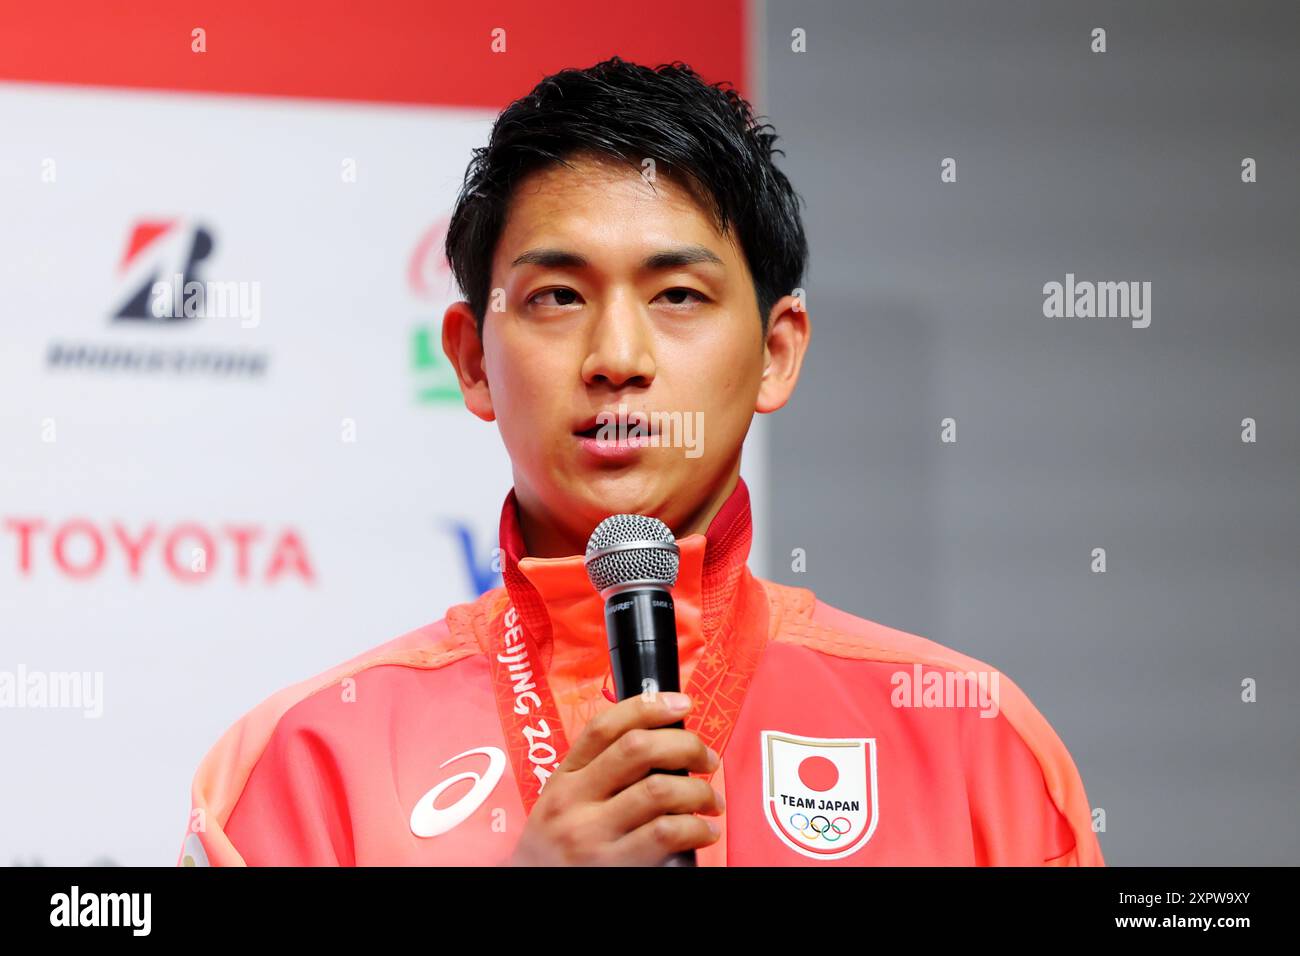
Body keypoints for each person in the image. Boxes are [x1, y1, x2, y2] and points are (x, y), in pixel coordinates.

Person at [178, 56, 1103, 867]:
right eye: (556, 295)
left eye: (677, 293)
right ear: (471, 361)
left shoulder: (970, 739)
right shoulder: (305, 762)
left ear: (777, 352)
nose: (616, 356)